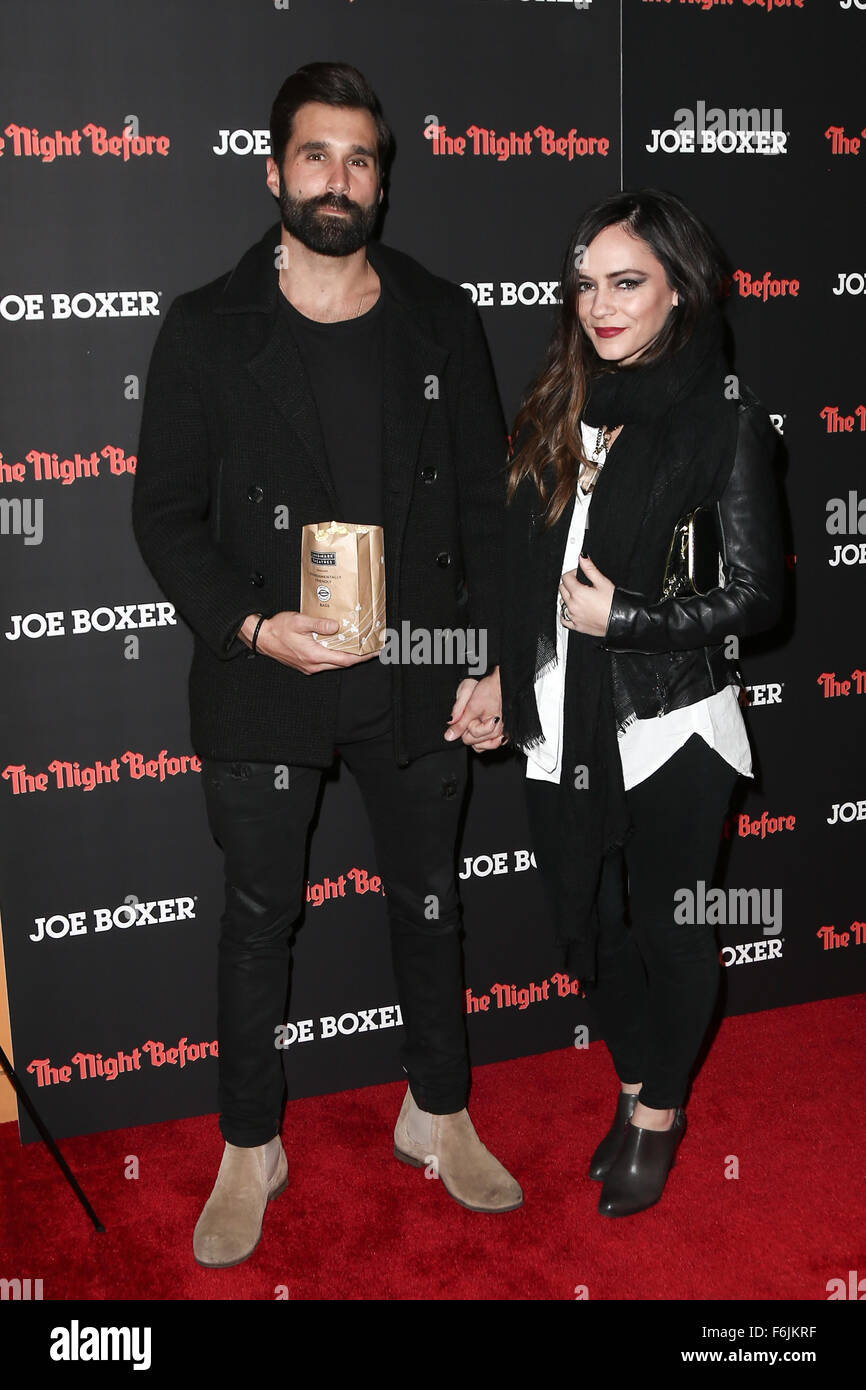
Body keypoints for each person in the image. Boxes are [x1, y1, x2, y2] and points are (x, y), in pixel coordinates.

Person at [132, 61, 521, 1269]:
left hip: (417, 669)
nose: (337, 179)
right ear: (273, 171)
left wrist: (491, 660)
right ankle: (250, 1142)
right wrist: (253, 625)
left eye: (359, 159)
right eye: (315, 155)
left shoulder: (438, 317)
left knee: (430, 909)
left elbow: (488, 509)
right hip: (266, 671)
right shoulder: (204, 326)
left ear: (381, 182)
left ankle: (435, 1109)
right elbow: (164, 515)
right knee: (257, 920)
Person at [495, 188, 784, 1217]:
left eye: (626, 283)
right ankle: (629, 1081)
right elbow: (520, 567)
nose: (600, 306)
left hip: (668, 717)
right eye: (585, 284)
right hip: (555, 712)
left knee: (667, 925)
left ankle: (659, 1110)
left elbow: (757, 598)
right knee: (586, 928)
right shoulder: (559, 405)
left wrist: (631, 619)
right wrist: (496, 668)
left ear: (678, 290)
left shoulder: (723, 424)